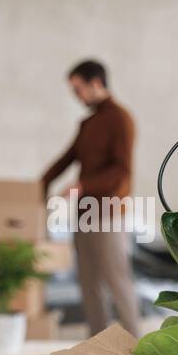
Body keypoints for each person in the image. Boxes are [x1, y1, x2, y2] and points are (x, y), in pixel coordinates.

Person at [41, 60, 140, 338]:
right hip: (84, 214)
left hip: (108, 213)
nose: (76, 96)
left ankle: (137, 346)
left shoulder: (121, 119)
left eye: (78, 89)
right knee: (88, 282)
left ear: (96, 83)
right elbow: (67, 158)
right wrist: (39, 185)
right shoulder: (88, 123)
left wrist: (83, 185)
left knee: (117, 281)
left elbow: (122, 172)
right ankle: (96, 342)